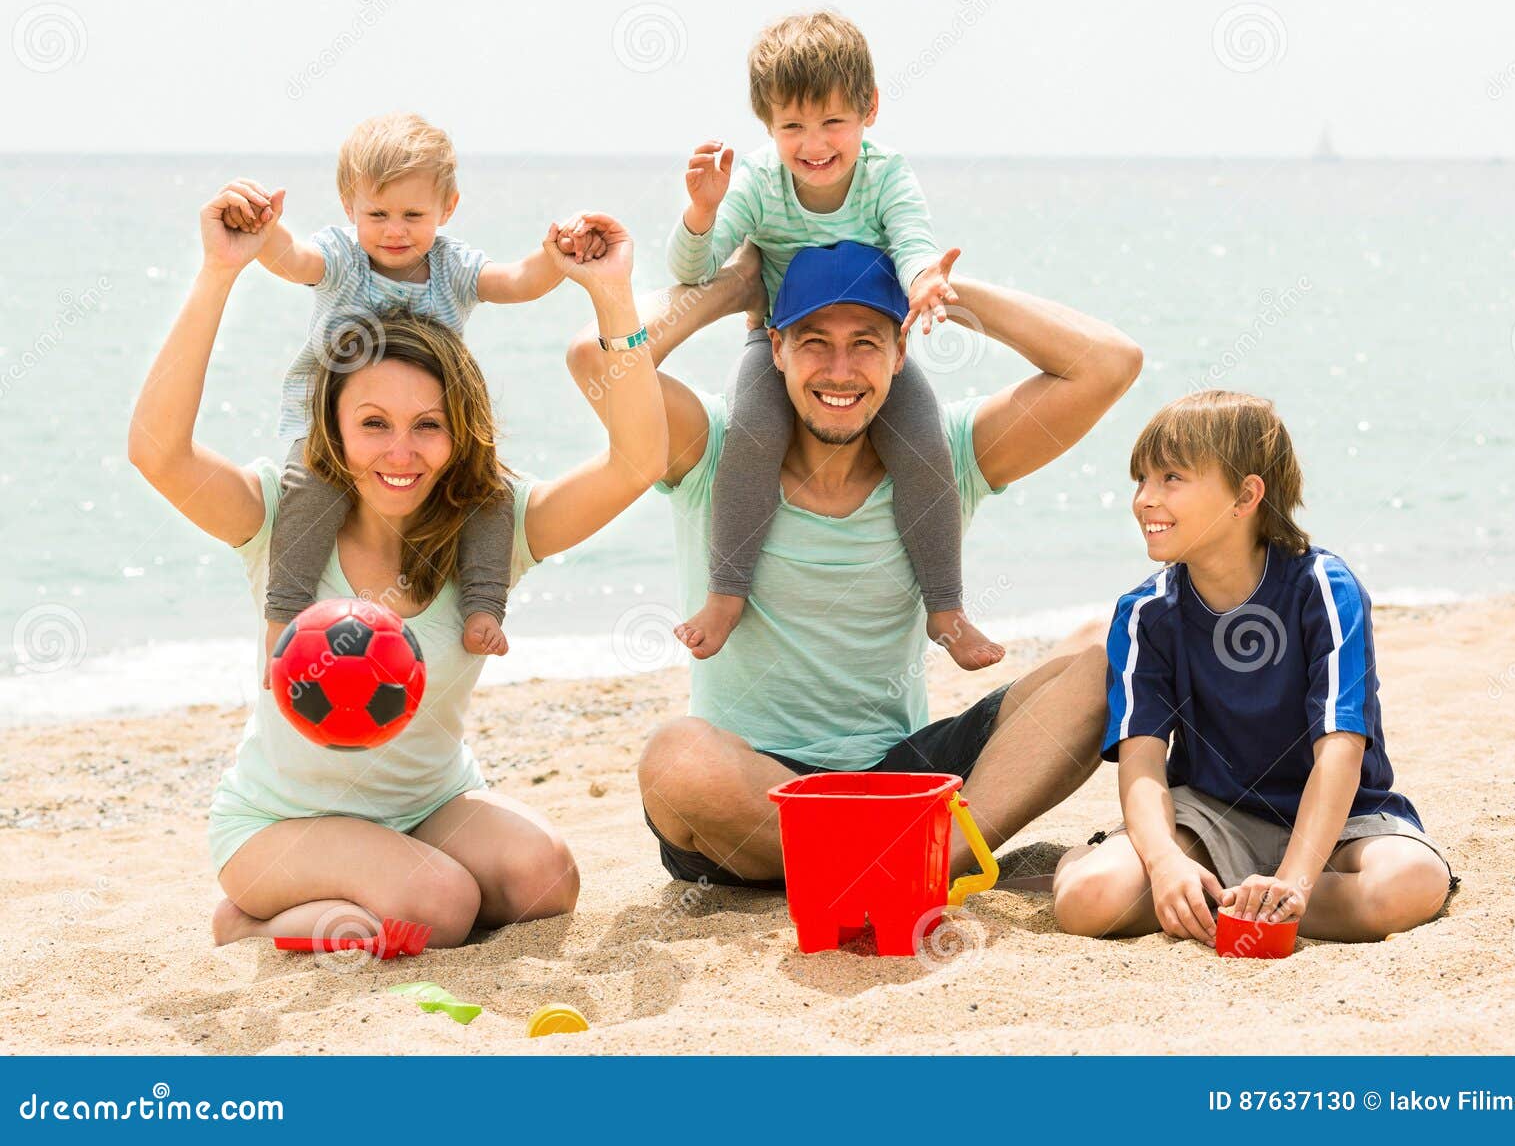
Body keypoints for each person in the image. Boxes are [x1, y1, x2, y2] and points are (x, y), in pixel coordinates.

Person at [129, 186, 662, 947]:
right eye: (373, 424)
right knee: (440, 904)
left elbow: (638, 461)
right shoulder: (282, 517)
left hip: (429, 804)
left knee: (546, 878)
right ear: (335, 430)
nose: (401, 452)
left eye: (427, 426)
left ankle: (379, 881)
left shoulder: (493, 521)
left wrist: (612, 293)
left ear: (461, 431)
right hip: (284, 824)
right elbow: (157, 450)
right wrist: (219, 273)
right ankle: (250, 918)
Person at [567, 241, 1144, 886]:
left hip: (905, 784)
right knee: (677, 759)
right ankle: (895, 864)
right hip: (760, 792)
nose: (840, 371)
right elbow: (598, 359)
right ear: (776, 348)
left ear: (900, 353)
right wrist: (730, 291)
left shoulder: (944, 457)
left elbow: (1109, 364)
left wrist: (942, 290)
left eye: (866, 343)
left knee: (1107, 649)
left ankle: (929, 860)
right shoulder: (714, 447)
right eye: (814, 341)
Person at [1053, 390, 1456, 944]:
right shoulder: (1145, 612)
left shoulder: (1323, 589)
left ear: (1245, 495)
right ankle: (1155, 876)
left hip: (1340, 824)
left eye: (1171, 477)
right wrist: (1166, 862)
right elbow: (1142, 761)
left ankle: (1238, 900)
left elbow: (1342, 748)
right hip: (1212, 817)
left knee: (1409, 884)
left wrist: (1295, 880)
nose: (1145, 499)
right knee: (1088, 900)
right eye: (1140, 480)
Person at [664, 10, 1001, 670]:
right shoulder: (759, 182)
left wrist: (926, 280)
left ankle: (946, 609)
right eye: (792, 126)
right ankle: (726, 594)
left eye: (831, 123)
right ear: (767, 124)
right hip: (780, 341)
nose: (813, 144)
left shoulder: (885, 174)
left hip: (868, 341)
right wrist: (701, 212)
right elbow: (693, 272)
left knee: (925, 440)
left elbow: (911, 238)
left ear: (869, 109)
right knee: (751, 433)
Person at [220, 112, 609, 665]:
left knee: (490, 496)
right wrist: (262, 228)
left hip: (429, 430)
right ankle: (284, 618)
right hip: (334, 431)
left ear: (447, 208)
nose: (394, 230)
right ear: (348, 207)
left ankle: (482, 609)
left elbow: (517, 282)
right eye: (376, 214)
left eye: (412, 214)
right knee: (309, 496)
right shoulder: (342, 258)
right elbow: (292, 260)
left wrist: (555, 256)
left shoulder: (452, 267)